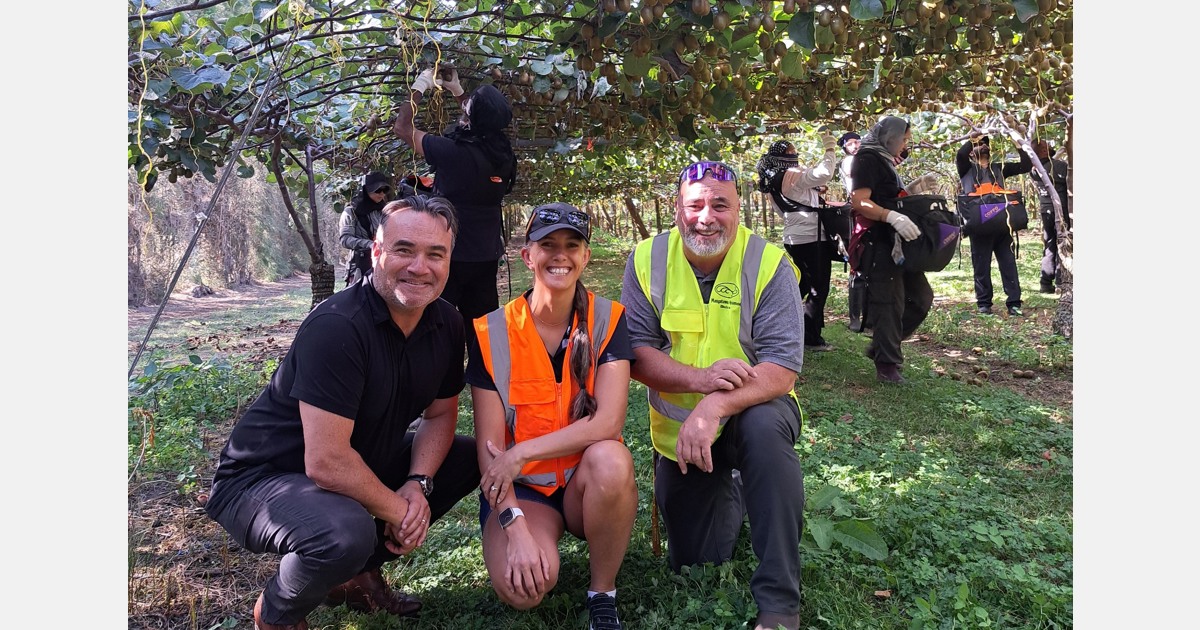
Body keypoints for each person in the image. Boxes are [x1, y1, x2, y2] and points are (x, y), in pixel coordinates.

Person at [204, 196, 482, 630]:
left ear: (449, 260)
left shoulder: (447, 323)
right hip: (262, 478)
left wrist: (417, 483)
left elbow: (441, 414)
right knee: (345, 531)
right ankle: (276, 615)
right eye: (404, 250)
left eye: (435, 254)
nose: (419, 267)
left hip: (359, 456)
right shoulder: (338, 326)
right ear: (376, 251)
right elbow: (327, 462)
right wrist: (399, 510)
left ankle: (355, 575)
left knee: (466, 458)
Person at [620, 160, 807, 630]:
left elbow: (782, 366)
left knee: (763, 433)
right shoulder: (647, 259)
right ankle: (735, 484)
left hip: (752, 411)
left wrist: (716, 404)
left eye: (720, 205)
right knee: (695, 560)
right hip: (682, 438)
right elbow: (636, 352)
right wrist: (703, 382)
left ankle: (780, 605)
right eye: (695, 205)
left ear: (739, 209)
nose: (706, 217)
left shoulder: (768, 263)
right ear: (676, 209)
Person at [468, 202, 637, 630]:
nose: (560, 255)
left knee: (612, 458)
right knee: (524, 589)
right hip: (525, 491)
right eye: (548, 245)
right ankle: (532, 536)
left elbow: (608, 423)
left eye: (571, 245)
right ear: (528, 256)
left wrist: (522, 452)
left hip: (584, 484)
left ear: (585, 256)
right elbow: (491, 451)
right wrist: (514, 525)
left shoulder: (608, 319)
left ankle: (602, 593)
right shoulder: (492, 332)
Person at [393, 67, 518, 348]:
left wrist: (421, 85)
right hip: (485, 257)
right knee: (483, 334)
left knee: (439, 331)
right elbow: (482, 122)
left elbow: (402, 128)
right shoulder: (503, 155)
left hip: (448, 256)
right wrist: (458, 91)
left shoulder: (452, 152)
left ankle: (442, 372)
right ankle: (486, 374)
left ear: (471, 116)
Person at [848, 115, 933, 384]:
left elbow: (889, 197)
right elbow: (860, 201)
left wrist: (915, 188)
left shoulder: (885, 160)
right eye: (903, 139)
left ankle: (881, 346)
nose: (905, 144)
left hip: (899, 241)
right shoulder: (867, 158)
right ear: (890, 137)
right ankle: (887, 365)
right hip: (879, 241)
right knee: (889, 302)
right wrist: (890, 217)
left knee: (921, 298)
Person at [755, 133, 839, 351]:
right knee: (817, 288)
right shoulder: (791, 173)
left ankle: (775, 320)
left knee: (802, 284)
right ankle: (810, 337)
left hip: (794, 236)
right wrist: (830, 149)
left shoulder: (773, 180)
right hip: (810, 237)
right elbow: (824, 173)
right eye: (790, 151)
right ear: (782, 157)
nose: (795, 154)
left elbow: (786, 208)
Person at [955, 132, 1033, 316]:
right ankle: (984, 303)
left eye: (985, 144)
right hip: (979, 226)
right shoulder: (966, 169)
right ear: (972, 151)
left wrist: (1017, 142)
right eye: (978, 144)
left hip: (1002, 225)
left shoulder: (999, 168)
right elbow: (960, 154)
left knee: (1008, 263)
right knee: (981, 265)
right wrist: (974, 138)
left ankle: (1014, 303)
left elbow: (1026, 165)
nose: (982, 146)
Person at [338, 172, 401, 286]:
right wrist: (370, 244)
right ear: (366, 190)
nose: (381, 194)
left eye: (385, 190)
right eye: (378, 190)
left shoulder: (385, 211)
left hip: (382, 264)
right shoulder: (351, 212)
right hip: (359, 267)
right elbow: (345, 240)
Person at [836, 131, 867, 333]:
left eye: (857, 142)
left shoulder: (865, 160)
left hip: (868, 211)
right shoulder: (849, 162)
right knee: (857, 263)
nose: (855, 146)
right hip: (857, 213)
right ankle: (855, 317)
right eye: (850, 143)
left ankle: (866, 315)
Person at [1031, 139, 1070, 293]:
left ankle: (1045, 283)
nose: (1050, 146)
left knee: (1050, 244)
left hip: (1045, 210)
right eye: (1046, 145)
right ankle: (1061, 282)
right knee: (1063, 243)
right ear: (1043, 151)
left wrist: (1059, 153)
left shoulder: (1034, 169)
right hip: (1060, 211)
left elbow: (1048, 164)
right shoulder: (1059, 167)